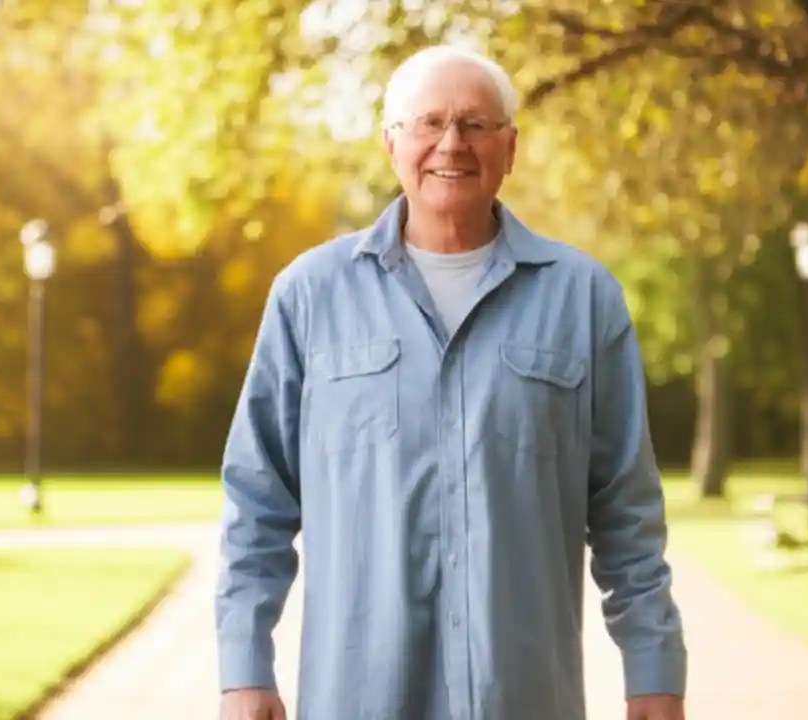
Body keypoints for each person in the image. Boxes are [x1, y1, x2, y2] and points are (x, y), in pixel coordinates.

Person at [216, 45, 686, 720]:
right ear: (391, 143)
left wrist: (654, 672)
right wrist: (243, 671)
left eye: (475, 124)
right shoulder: (308, 298)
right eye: (428, 122)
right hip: (359, 700)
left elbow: (627, 514)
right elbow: (255, 502)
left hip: (526, 699)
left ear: (511, 147)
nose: (451, 144)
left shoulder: (584, 300)